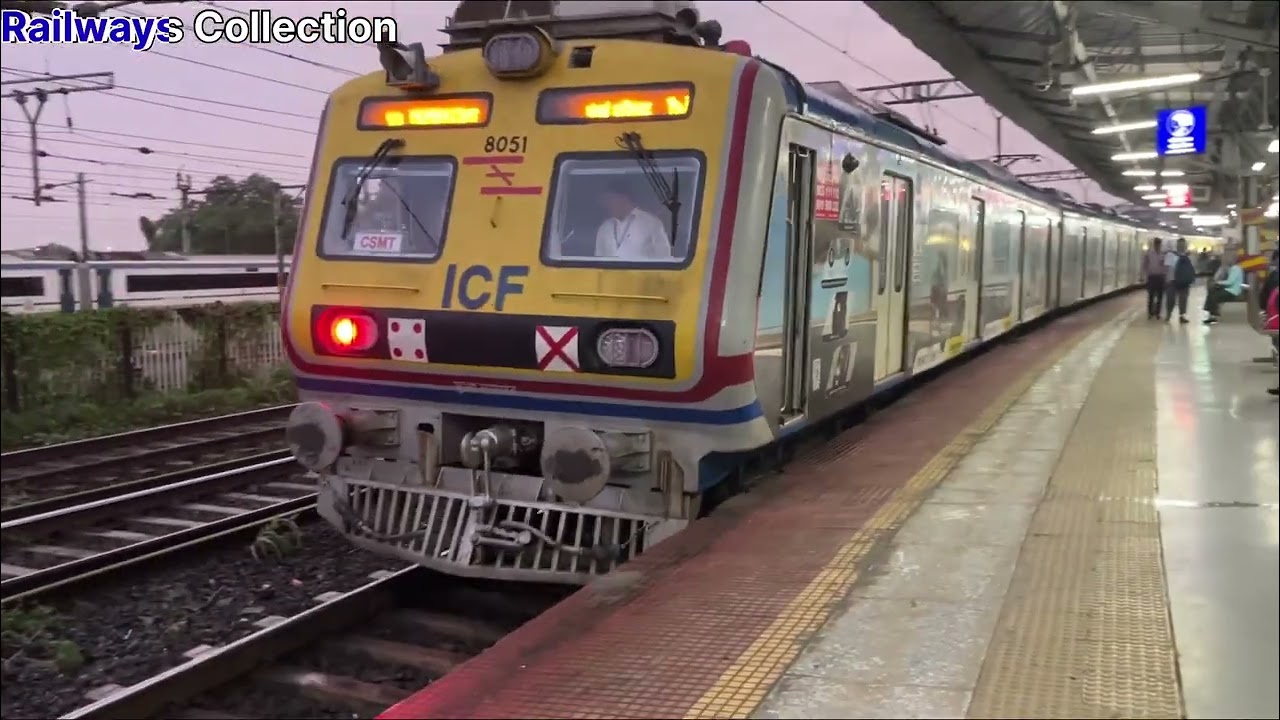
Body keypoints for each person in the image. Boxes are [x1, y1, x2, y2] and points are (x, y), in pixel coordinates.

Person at [593, 181, 673, 261]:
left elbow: (664, 257)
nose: (607, 205)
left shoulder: (651, 223)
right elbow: (599, 259)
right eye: (606, 201)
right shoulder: (604, 228)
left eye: (610, 200)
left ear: (624, 199)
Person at [1202, 250, 1245, 324]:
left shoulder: (1235, 269)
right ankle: (1212, 314)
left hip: (1232, 292)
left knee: (1213, 295)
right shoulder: (1234, 268)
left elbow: (1230, 282)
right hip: (1230, 290)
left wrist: (1218, 283)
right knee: (1212, 292)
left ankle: (1213, 314)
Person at [1164, 237, 1195, 323]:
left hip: (1184, 281)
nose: (1182, 246)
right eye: (1180, 244)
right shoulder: (1170, 255)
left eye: (1183, 245)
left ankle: (1182, 315)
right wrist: (1167, 280)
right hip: (1172, 280)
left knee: (1183, 299)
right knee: (1171, 299)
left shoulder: (1188, 256)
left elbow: (1191, 269)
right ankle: (1169, 314)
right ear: (1177, 245)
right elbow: (1167, 268)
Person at [1141, 238, 1166, 319]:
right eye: (1156, 244)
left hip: (1160, 277)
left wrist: (1165, 274)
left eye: (1158, 244)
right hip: (1152, 276)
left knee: (1160, 296)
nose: (1157, 246)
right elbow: (1144, 264)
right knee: (1151, 296)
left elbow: (1166, 265)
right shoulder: (1149, 254)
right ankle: (1150, 313)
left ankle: (1157, 313)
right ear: (1154, 244)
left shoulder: (1163, 254)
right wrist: (1144, 274)